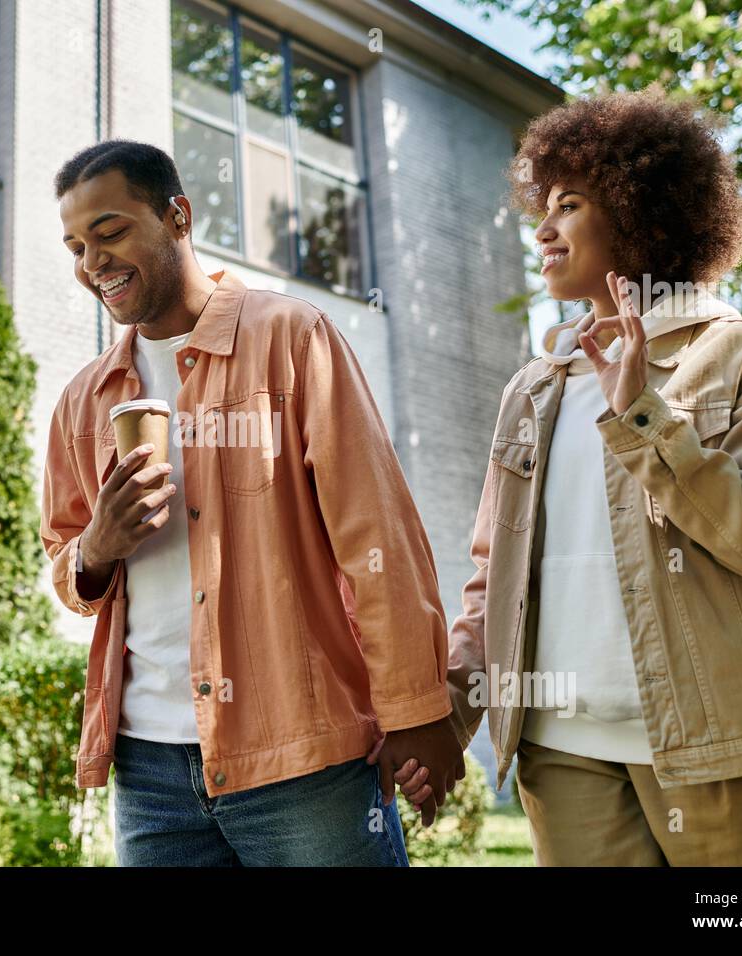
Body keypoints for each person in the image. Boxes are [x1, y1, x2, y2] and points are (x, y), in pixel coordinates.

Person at [399, 90, 742, 866]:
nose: (541, 228)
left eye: (568, 205)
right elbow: (493, 581)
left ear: (644, 214)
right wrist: (452, 715)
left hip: (724, 747)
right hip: (561, 755)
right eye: (542, 205)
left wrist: (645, 416)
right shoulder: (532, 389)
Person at [39, 139, 461, 866]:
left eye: (109, 233)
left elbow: (376, 535)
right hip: (150, 772)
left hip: (305, 759)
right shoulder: (84, 400)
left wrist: (419, 710)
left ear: (178, 216)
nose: (92, 263)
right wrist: (96, 548)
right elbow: (64, 563)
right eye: (76, 246)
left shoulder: (292, 339)